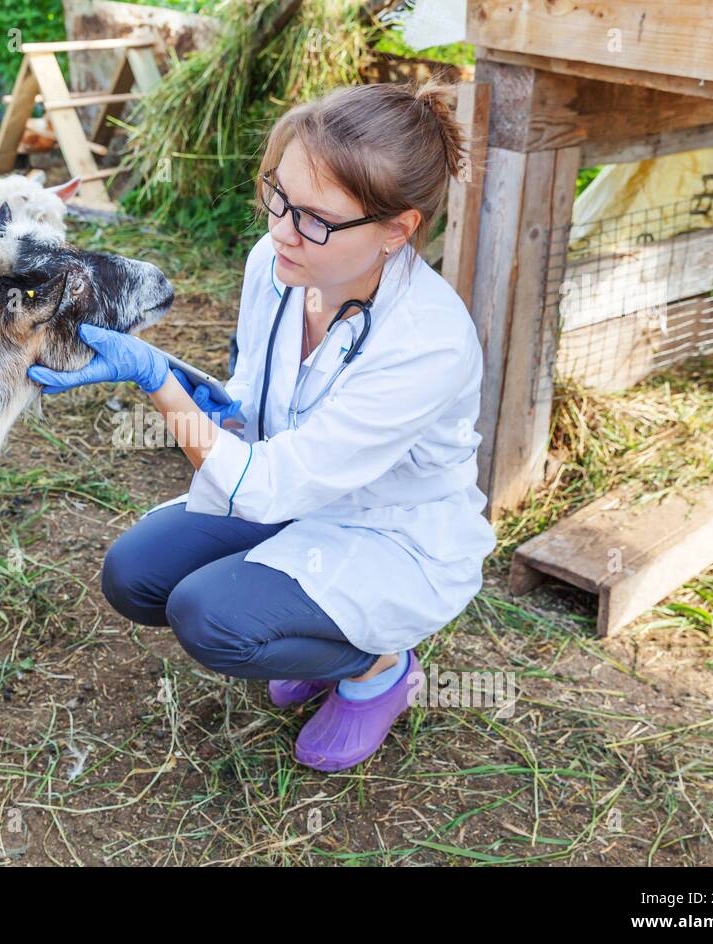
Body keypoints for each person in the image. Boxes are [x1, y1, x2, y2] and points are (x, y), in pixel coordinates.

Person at [28, 80, 497, 773]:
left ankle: (377, 665)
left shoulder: (428, 340)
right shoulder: (275, 266)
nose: (279, 228)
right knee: (133, 575)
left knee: (209, 617)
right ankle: (310, 623)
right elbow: (251, 396)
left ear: (397, 229)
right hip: (287, 489)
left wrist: (155, 383)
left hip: (387, 532)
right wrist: (192, 386)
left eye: (314, 218)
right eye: (277, 195)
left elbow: (267, 485)